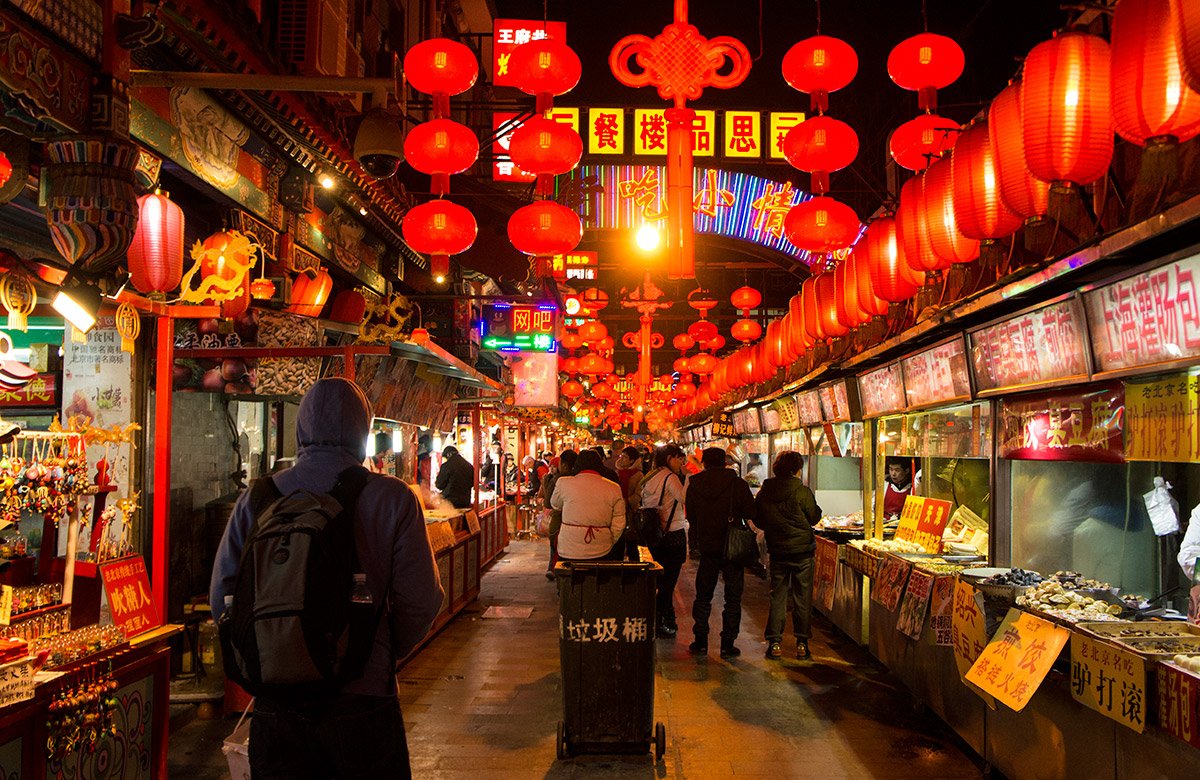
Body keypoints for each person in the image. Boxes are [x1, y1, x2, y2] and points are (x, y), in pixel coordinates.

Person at [210, 378, 443, 779]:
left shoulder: (260, 496)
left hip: (276, 704)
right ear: (363, 431)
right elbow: (422, 600)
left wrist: (276, 650)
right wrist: (377, 649)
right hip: (363, 698)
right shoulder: (392, 497)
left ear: (301, 428)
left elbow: (222, 598)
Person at [685, 447, 756, 659]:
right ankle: (727, 644)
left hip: (708, 547)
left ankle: (700, 641)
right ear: (725, 462)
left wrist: (698, 536)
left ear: (704, 463)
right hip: (732, 547)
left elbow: (692, 516)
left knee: (703, 596)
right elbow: (751, 512)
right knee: (732, 598)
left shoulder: (695, 484)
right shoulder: (737, 484)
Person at [756, 451, 821, 661]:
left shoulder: (766, 490)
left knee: (778, 596)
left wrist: (773, 528)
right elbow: (814, 517)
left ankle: (774, 643)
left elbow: (758, 519)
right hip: (802, 553)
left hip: (778, 551)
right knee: (802, 598)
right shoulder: (802, 491)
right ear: (796, 469)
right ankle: (802, 644)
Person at [640, 444, 688, 638]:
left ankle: (666, 619)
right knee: (669, 582)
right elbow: (684, 498)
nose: (682, 462)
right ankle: (660, 620)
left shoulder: (650, 476)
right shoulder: (670, 477)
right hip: (672, 533)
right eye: (679, 458)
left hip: (654, 534)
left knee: (659, 579)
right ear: (669, 458)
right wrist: (690, 476)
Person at [550, 449, 626, 560]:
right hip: (602, 547)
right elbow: (619, 520)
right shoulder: (613, 487)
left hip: (569, 546)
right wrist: (609, 538)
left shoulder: (563, 482)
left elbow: (555, 504)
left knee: (570, 575)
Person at [540, 450, 577, 579]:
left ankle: (552, 568)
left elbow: (550, 502)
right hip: (574, 520)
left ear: (564, 465)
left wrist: (546, 482)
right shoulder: (578, 477)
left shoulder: (558, 479)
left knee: (555, 544)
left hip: (559, 518)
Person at [883, 457, 913, 522]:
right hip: (885, 525)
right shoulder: (884, 485)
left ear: (906, 471)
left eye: (897, 470)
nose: (893, 474)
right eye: (891, 469)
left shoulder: (913, 487)